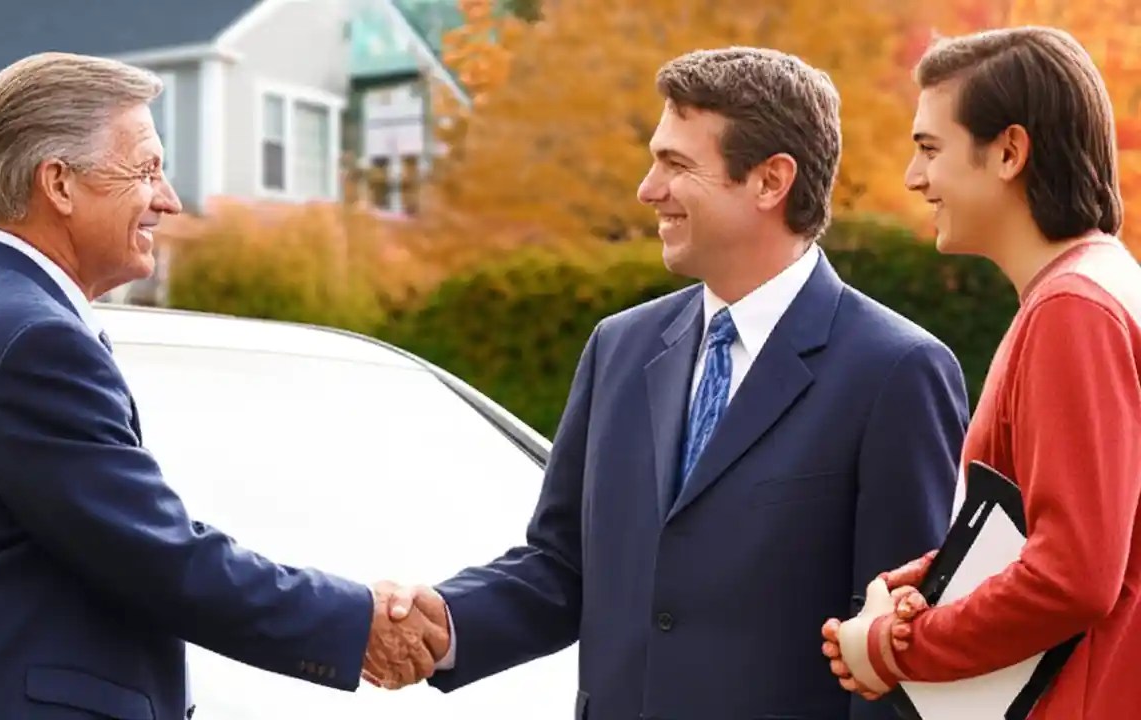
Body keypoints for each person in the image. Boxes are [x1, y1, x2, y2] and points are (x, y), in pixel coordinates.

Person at [377, 47, 969, 719]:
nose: (647, 188)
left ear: (771, 181)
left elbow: (897, 649)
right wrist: (441, 622)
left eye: (676, 164)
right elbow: (562, 567)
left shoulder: (896, 371)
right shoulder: (618, 348)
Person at [0, 52, 446, 719]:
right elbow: (159, 556)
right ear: (59, 184)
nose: (167, 199)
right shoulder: (31, 341)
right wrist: (356, 622)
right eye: (145, 170)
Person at [821, 26, 1141, 719]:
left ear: (1008, 152)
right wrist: (916, 590)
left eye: (930, 149)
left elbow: (1074, 576)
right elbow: (1038, 536)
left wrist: (896, 649)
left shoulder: (1074, 311)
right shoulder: (1098, 289)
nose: (914, 177)